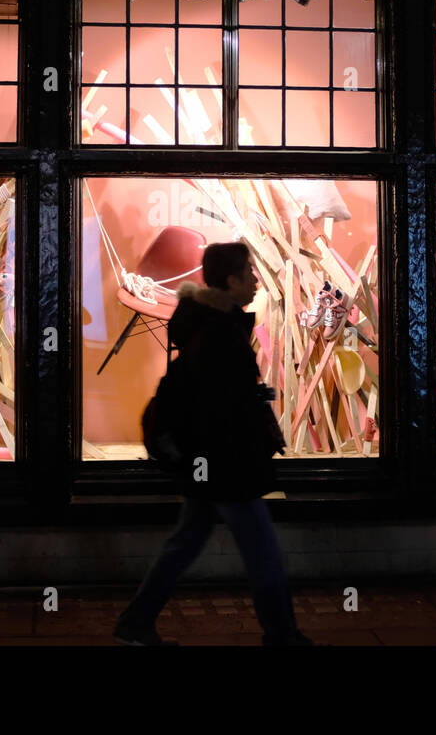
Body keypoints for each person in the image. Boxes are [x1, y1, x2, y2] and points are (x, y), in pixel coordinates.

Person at [115, 241, 313, 646]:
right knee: (263, 552)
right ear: (230, 280)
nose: (257, 279)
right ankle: (282, 636)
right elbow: (222, 409)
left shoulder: (211, 325)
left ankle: (135, 623)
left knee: (185, 544)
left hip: (210, 463)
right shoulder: (220, 333)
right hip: (227, 465)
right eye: (250, 272)